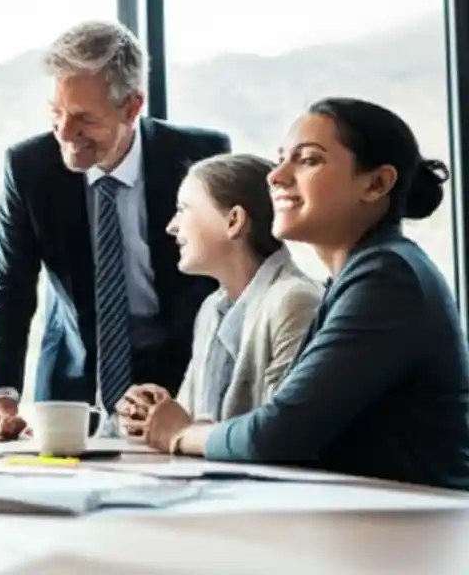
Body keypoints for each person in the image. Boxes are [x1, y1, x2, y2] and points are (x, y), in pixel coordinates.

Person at [135, 98, 469, 491]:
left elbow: (276, 433)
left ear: (376, 184)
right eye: (280, 159)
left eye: (307, 160)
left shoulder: (387, 278)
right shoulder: (366, 273)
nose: (276, 176)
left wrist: (181, 434)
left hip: (414, 529)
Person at [0, 19, 230, 443]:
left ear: (132, 107)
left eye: (83, 118)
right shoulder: (30, 168)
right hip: (72, 386)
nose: (64, 133)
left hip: (184, 379)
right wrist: (1, 398)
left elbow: (230, 277)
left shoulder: (200, 157)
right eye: (56, 113)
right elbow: (8, 289)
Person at [116, 154, 320, 436]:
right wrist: (155, 413)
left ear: (234, 220)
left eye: (183, 210)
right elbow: (194, 424)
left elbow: (281, 432)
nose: (171, 226)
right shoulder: (212, 308)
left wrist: (180, 430)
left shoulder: (295, 302)